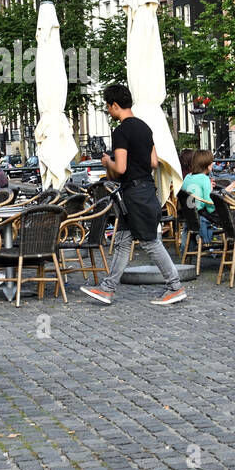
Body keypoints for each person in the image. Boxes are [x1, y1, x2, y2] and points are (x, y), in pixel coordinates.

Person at [80, 83, 187, 307]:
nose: (108, 111)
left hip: (134, 192)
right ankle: (107, 289)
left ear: (115, 105)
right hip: (146, 189)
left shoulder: (121, 131)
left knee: (150, 241)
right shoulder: (145, 127)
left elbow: (119, 168)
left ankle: (175, 286)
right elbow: (154, 162)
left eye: (108, 107)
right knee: (122, 240)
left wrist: (107, 161)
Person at [180, 149, 217, 254]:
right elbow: (209, 205)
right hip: (202, 216)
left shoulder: (187, 177)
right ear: (208, 165)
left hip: (190, 217)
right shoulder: (204, 179)